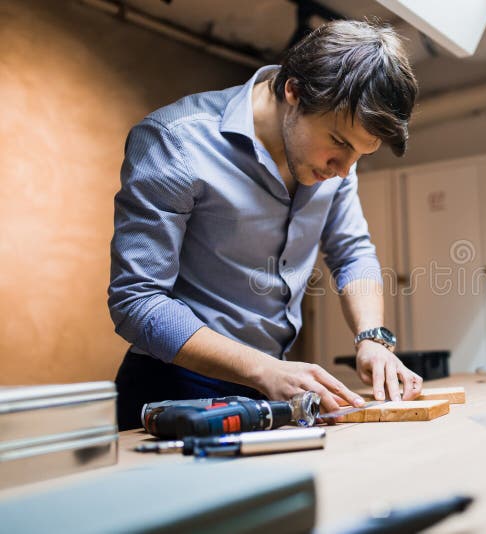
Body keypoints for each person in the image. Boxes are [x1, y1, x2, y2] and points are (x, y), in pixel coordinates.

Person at [108, 20, 422, 430]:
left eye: (361, 155)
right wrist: (264, 369)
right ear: (293, 90)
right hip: (172, 388)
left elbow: (352, 252)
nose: (345, 170)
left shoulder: (336, 167)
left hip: (272, 384)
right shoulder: (176, 142)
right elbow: (138, 300)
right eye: (341, 144)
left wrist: (372, 339)